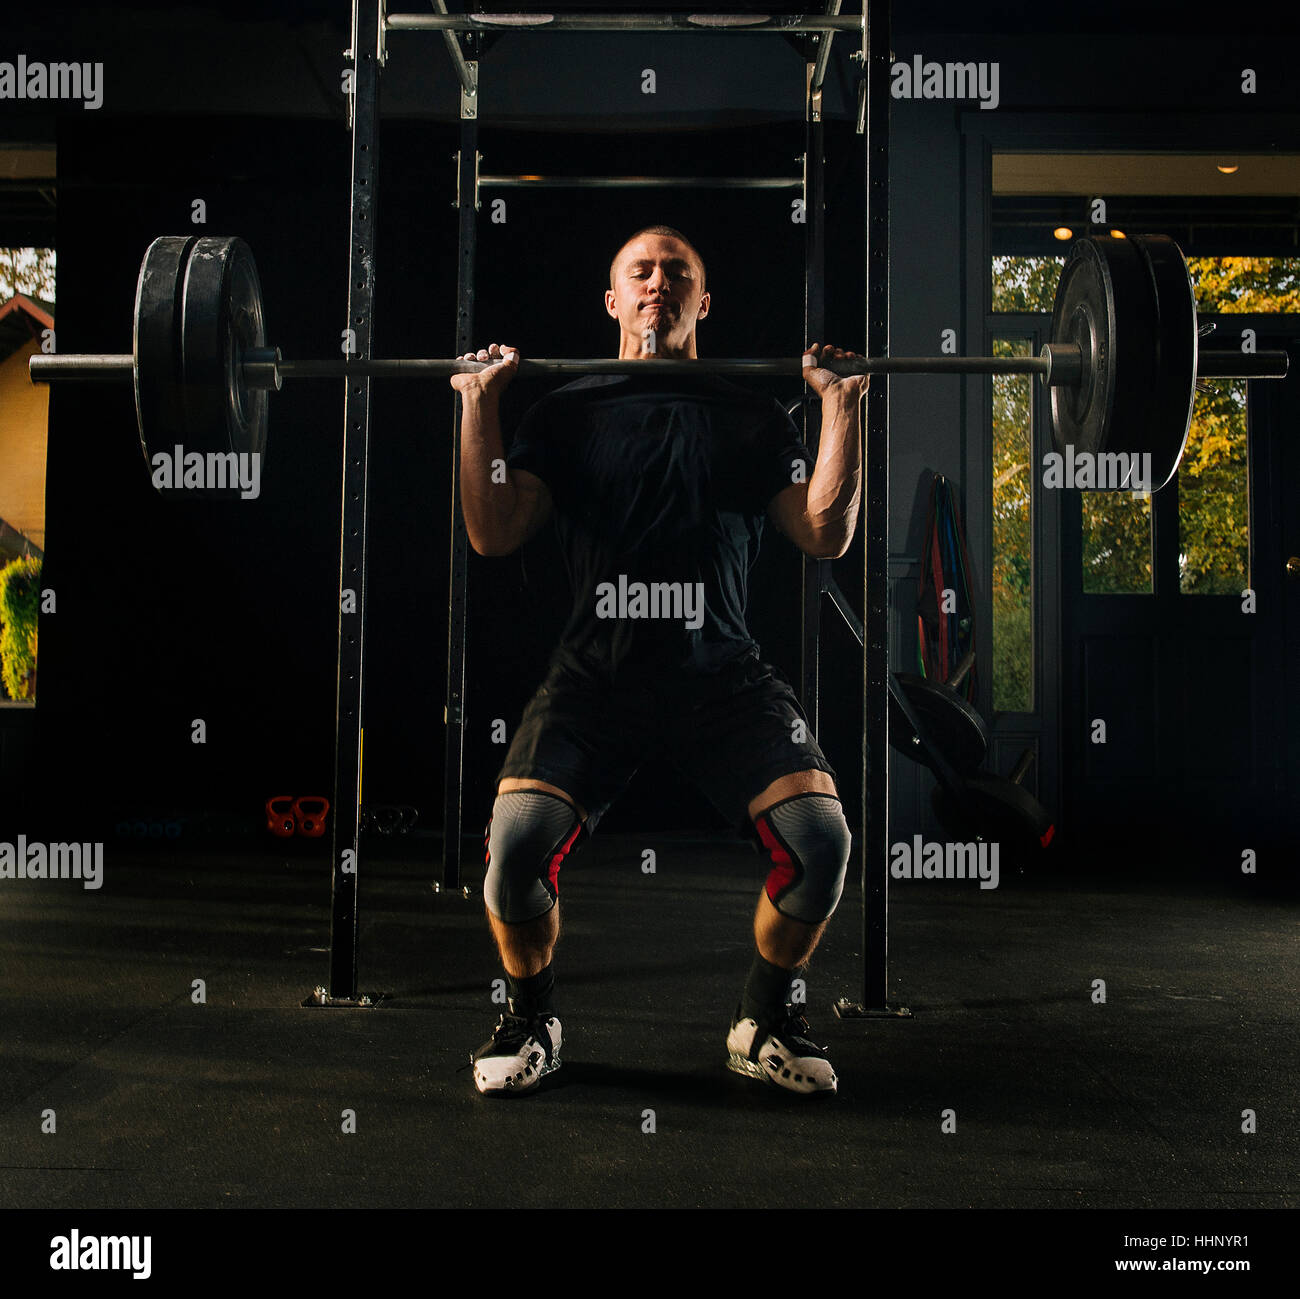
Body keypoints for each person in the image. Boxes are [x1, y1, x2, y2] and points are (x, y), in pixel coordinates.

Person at [450, 225, 866, 1097]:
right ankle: (531, 1018)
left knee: (819, 841)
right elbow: (492, 531)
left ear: (701, 303)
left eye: (678, 273)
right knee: (514, 846)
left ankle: (766, 1017)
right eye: (640, 271)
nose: (658, 283)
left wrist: (844, 405)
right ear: (613, 300)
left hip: (720, 673)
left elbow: (823, 530)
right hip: (594, 676)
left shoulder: (750, 412)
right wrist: (477, 403)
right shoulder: (564, 410)